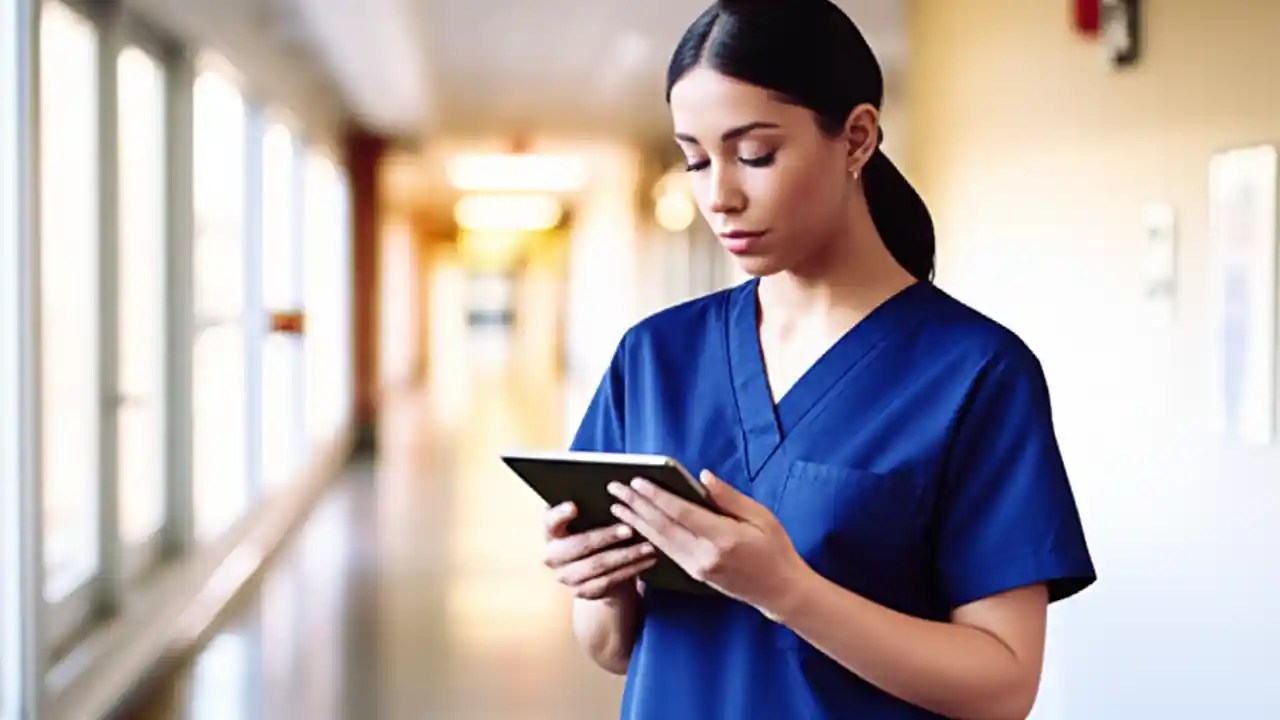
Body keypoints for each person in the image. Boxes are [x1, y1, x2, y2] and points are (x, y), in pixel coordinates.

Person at [540, 1, 1097, 717]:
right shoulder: (654, 357)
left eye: (755, 155)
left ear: (857, 138)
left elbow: (1003, 685)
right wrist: (602, 583)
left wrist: (787, 591)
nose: (720, 196)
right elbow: (616, 650)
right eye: (697, 159)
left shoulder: (976, 373)